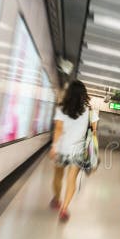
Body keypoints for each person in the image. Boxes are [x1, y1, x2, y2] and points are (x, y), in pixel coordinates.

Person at [50, 80, 94, 222]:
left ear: (68, 93)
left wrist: (54, 147)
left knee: (58, 176)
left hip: (62, 149)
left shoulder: (61, 109)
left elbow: (58, 129)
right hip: (77, 151)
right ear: (84, 94)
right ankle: (64, 208)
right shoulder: (89, 111)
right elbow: (93, 131)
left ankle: (57, 200)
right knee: (72, 180)